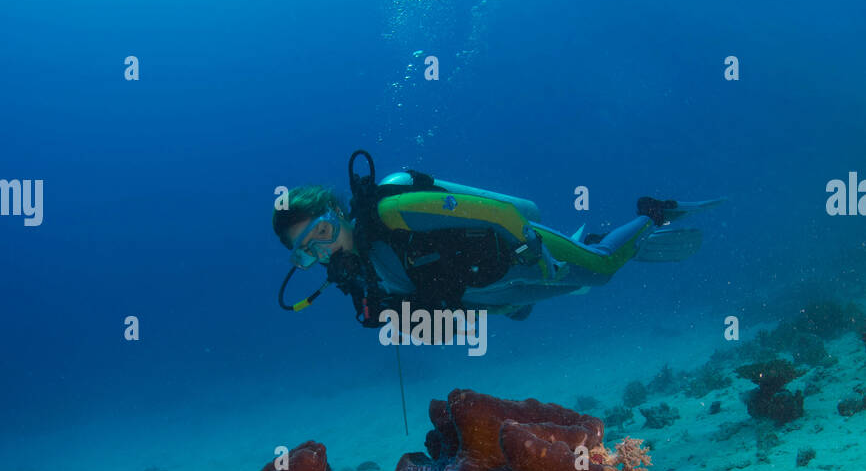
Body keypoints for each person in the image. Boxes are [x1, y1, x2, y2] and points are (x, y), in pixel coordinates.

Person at [272, 151, 722, 326]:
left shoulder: (390, 211)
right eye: (308, 251)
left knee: (601, 270)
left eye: (323, 234)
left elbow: (499, 213)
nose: (324, 250)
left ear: (337, 213)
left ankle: (654, 215)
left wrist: (531, 247)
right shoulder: (361, 271)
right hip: (495, 290)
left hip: (520, 249)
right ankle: (595, 242)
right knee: (583, 284)